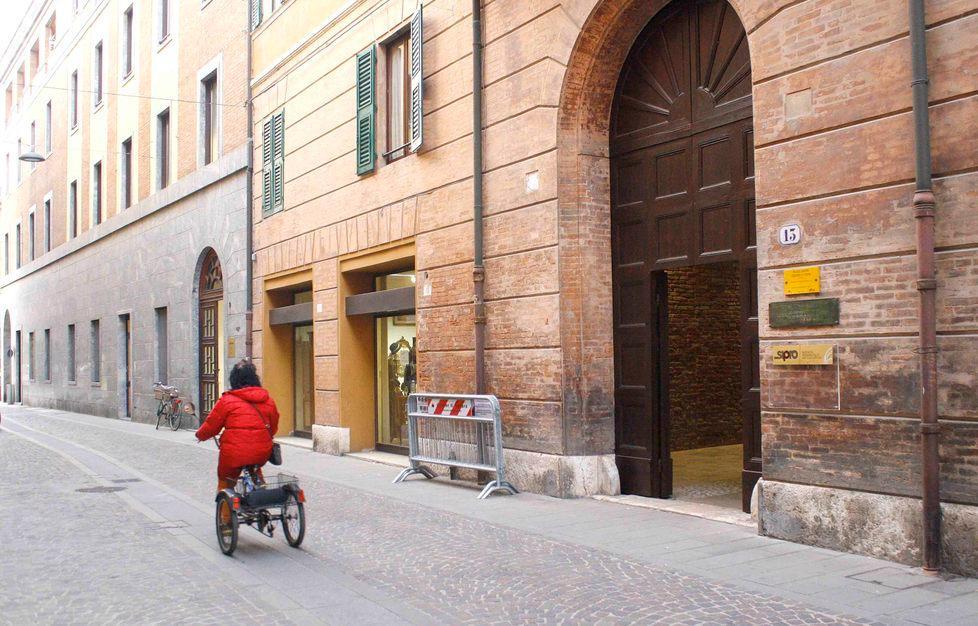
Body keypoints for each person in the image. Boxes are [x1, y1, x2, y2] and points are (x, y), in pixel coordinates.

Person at [196, 360, 279, 491]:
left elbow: (212, 425)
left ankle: (226, 510)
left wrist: (200, 435)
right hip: (262, 450)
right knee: (255, 469)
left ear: (233, 380)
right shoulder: (268, 400)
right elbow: (273, 427)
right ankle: (261, 496)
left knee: (225, 483)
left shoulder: (227, 401)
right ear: (255, 378)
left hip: (233, 453)